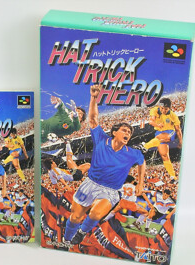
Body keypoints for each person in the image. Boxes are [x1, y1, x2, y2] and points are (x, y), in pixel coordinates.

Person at [64, 84, 146, 245]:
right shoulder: (102, 139)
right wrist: (94, 97)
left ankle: (82, 232)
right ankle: (66, 240)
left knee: (95, 214)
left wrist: (141, 182)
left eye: (129, 132)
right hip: (91, 183)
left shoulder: (133, 153)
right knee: (75, 217)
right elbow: (93, 119)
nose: (128, 133)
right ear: (114, 132)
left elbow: (142, 163)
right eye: (124, 130)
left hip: (111, 190)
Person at [137, 98, 182, 180]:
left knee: (162, 137)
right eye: (162, 108)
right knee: (164, 155)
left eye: (166, 109)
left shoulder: (173, 116)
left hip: (170, 132)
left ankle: (145, 146)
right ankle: (173, 176)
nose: (163, 110)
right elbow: (151, 121)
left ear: (169, 108)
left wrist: (180, 142)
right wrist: (157, 125)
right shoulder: (154, 110)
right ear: (159, 106)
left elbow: (178, 130)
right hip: (159, 133)